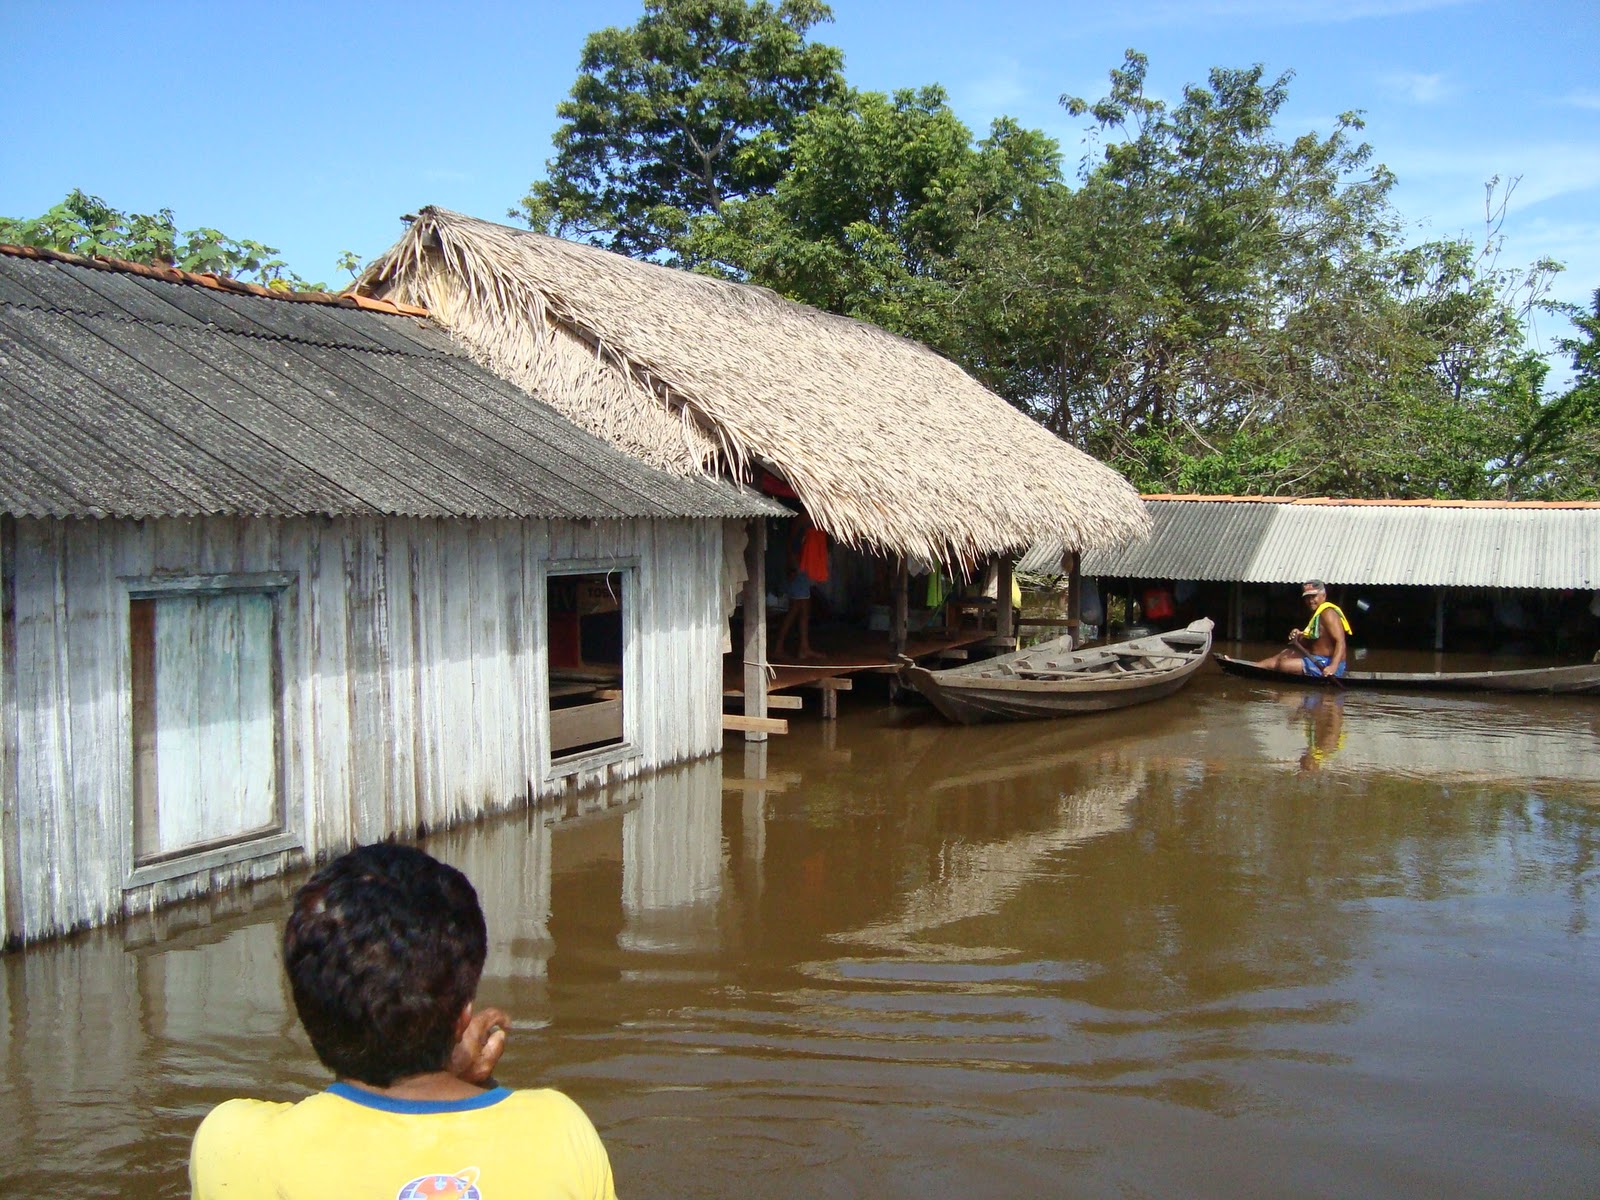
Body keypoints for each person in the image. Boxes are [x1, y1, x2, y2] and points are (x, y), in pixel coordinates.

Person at [189, 843, 617, 1200]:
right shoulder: (558, 1135)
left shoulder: (233, 1145)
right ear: (463, 1015)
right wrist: (456, 1073)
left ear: (304, 1007)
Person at [1254, 579, 1351, 678]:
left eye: (1314, 596)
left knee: (1284, 665)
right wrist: (1299, 635)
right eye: (1307, 597)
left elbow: (1340, 641)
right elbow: (1314, 640)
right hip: (1316, 657)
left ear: (1324, 595)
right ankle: (1255, 668)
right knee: (1285, 653)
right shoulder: (1317, 613)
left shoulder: (1328, 613)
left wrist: (1333, 667)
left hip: (1328, 663)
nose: (1310, 601)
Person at [774, 510, 828, 661]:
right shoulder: (803, 517)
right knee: (796, 607)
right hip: (798, 565)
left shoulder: (815, 515)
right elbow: (791, 542)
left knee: (804, 608)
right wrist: (792, 565)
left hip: (804, 565)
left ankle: (804, 648)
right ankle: (778, 647)